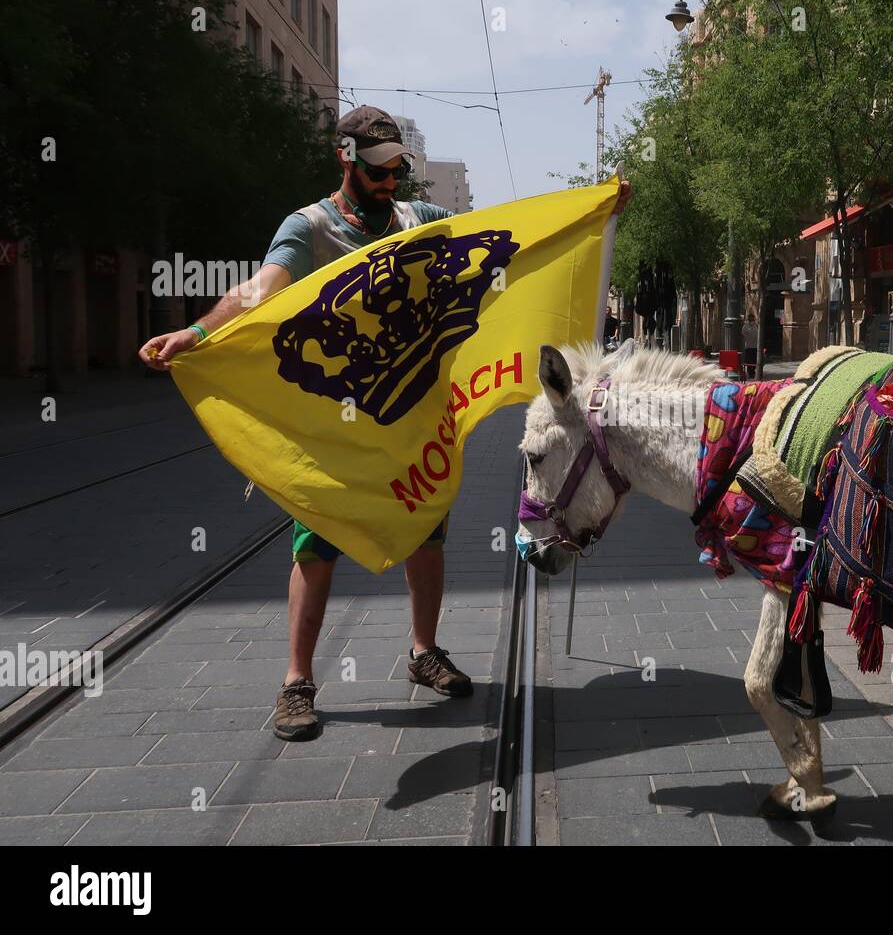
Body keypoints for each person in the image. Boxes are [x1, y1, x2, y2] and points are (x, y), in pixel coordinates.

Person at [139, 105, 633, 739]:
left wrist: (593, 210)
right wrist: (199, 330)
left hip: (412, 419)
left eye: (397, 166)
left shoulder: (418, 221)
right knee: (315, 545)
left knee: (427, 531)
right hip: (338, 428)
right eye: (377, 168)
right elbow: (262, 290)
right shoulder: (309, 227)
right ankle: (297, 681)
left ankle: (424, 652)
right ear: (345, 158)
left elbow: (505, 240)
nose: (390, 179)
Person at [741, 313, 759, 378]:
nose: (752, 319)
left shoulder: (756, 325)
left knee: (754, 360)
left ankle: (753, 372)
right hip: (748, 346)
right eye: (750, 318)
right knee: (749, 360)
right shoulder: (745, 326)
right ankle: (749, 372)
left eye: (753, 318)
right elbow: (743, 334)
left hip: (755, 346)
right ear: (748, 318)